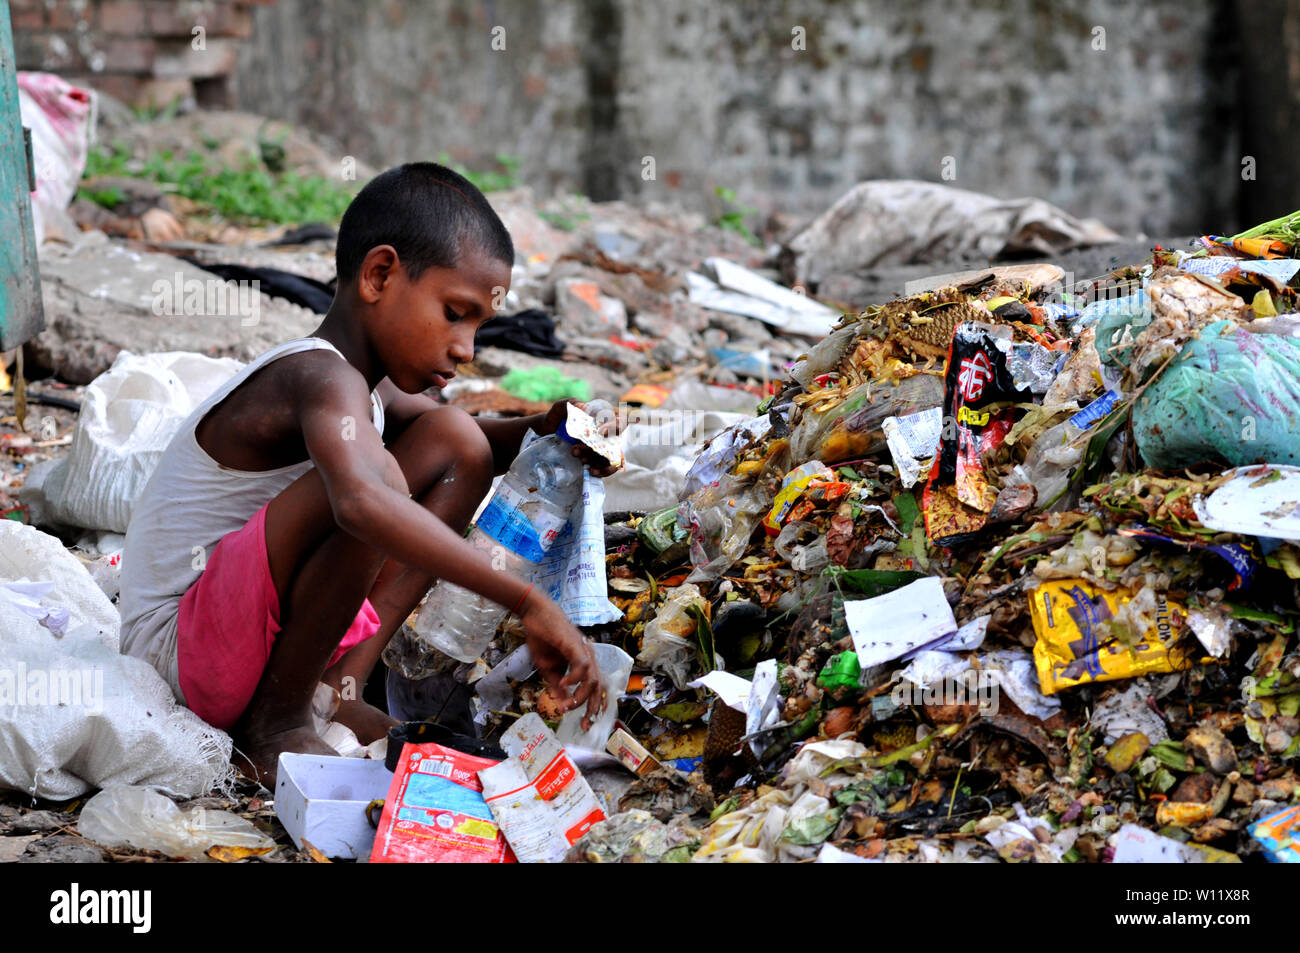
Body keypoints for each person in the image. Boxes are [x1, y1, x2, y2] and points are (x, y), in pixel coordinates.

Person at [119, 162, 610, 786]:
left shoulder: (362, 389)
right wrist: (525, 599)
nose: (467, 348)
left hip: (230, 639)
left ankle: (332, 688)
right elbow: (358, 502)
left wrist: (551, 427)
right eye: (454, 313)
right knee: (371, 481)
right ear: (379, 275)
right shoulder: (319, 378)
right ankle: (275, 725)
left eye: (478, 325)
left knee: (456, 440)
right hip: (178, 653)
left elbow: (467, 442)